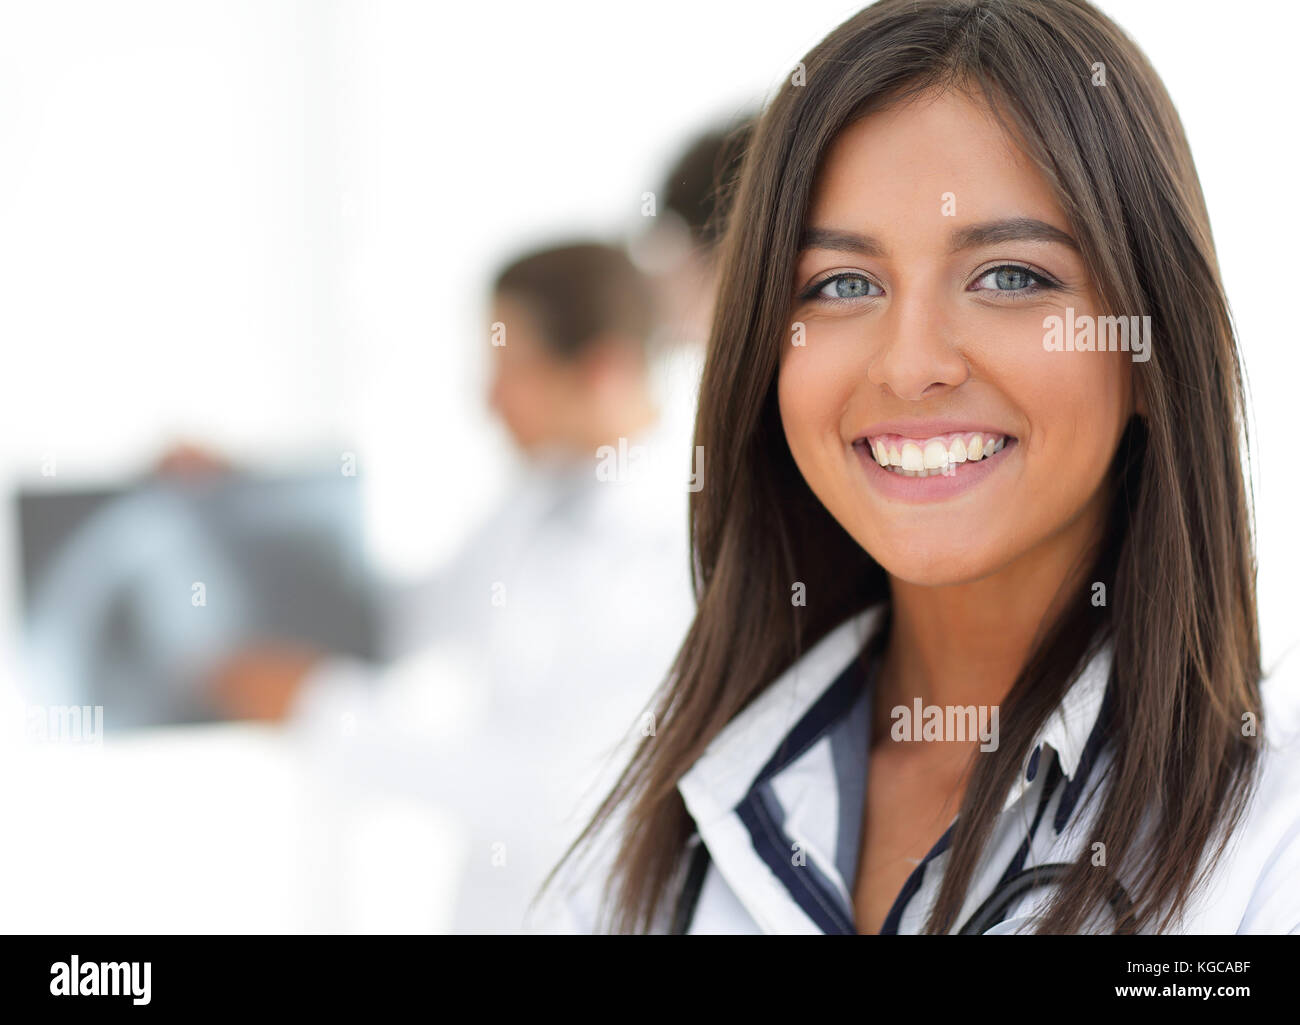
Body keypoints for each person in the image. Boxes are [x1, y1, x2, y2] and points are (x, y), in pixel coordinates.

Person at [536, 0, 1300, 935]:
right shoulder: (653, 839)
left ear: (1148, 347)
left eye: (1011, 276)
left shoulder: (1273, 843)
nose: (909, 363)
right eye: (842, 285)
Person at [212, 241, 699, 933]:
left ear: (602, 369)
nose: (488, 398)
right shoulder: (538, 497)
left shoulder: (677, 550)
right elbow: (402, 624)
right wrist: (236, 502)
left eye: (511, 367)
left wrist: (321, 710)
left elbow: (569, 791)